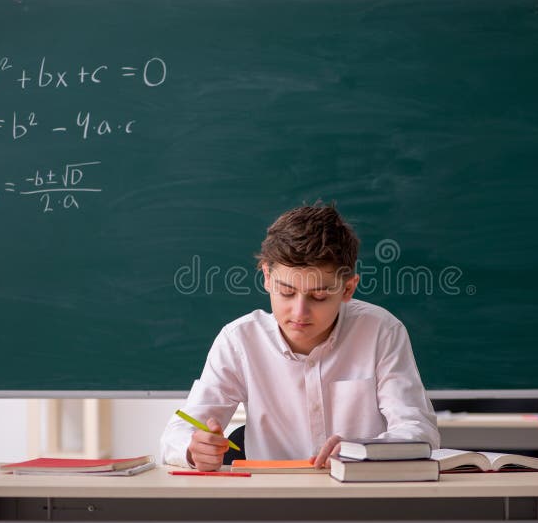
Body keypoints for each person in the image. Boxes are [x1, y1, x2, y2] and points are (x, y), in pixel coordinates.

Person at [160, 202, 438, 471]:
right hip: (272, 502)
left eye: (319, 295)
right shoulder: (239, 341)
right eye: (286, 292)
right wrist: (193, 449)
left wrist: (363, 450)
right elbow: (178, 432)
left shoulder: (381, 331)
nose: (300, 312)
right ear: (267, 277)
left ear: (348, 289)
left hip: (358, 495)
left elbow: (420, 431)